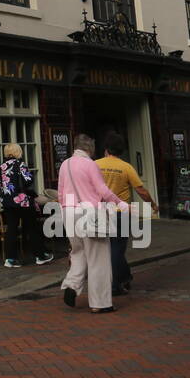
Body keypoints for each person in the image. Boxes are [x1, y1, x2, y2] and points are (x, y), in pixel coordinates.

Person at [57, 133, 125, 314]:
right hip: (89, 213)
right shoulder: (90, 165)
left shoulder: (65, 164)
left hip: (68, 212)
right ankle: (101, 303)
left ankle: (72, 285)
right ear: (89, 148)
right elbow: (102, 190)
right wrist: (121, 203)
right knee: (98, 259)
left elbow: (60, 193)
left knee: (78, 252)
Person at [95, 133, 156, 296]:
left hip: (100, 212)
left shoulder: (95, 165)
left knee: (107, 249)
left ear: (106, 149)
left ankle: (124, 277)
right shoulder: (126, 167)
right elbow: (141, 190)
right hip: (121, 213)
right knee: (117, 249)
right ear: (121, 150)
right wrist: (153, 205)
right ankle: (116, 284)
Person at [0, 144, 53, 268]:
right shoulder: (20, 164)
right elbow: (28, 180)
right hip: (23, 202)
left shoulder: (2, 166)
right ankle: (40, 256)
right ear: (18, 152)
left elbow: (0, 183)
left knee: (11, 229)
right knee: (31, 228)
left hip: (8, 202)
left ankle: (10, 259)